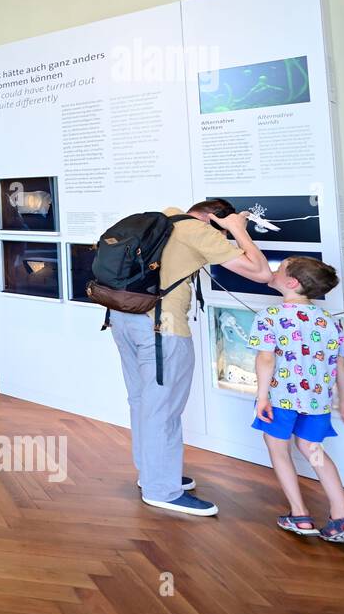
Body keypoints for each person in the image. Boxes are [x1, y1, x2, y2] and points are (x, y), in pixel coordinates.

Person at [109, 199, 271, 517]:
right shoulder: (199, 231)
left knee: (143, 401)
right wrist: (238, 229)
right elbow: (262, 272)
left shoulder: (162, 217)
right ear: (214, 219)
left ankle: (153, 474)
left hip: (123, 317)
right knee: (164, 409)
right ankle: (162, 490)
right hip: (162, 327)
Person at [250, 257, 344, 542]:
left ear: (291, 283)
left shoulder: (270, 316)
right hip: (317, 402)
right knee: (313, 450)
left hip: (280, 401)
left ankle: (300, 515)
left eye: (279, 268)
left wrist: (262, 397)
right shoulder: (329, 321)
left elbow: (266, 359)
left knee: (279, 450)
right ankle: (343, 517)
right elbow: (340, 365)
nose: (272, 271)